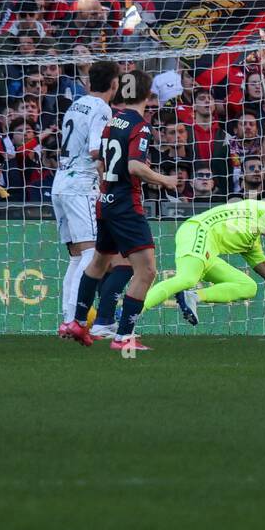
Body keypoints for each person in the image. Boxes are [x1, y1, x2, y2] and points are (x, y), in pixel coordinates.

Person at [58, 71, 178, 352]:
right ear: (149, 96)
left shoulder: (112, 121)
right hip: (126, 205)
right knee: (147, 271)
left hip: (105, 200)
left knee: (98, 263)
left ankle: (76, 321)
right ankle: (124, 336)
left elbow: (100, 161)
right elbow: (135, 166)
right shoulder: (141, 126)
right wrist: (165, 180)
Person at [142, 198, 265, 327]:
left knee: (248, 286)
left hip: (207, 249)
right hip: (199, 232)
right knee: (186, 279)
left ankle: (194, 297)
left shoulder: (252, 243)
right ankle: (132, 311)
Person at [51, 61, 117, 335]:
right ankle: (75, 320)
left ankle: (69, 318)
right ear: (115, 84)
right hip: (80, 185)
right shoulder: (102, 109)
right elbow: (94, 151)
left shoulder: (76, 104)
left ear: (90, 83)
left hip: (60, 183)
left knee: (77, 257)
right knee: (91, 253)